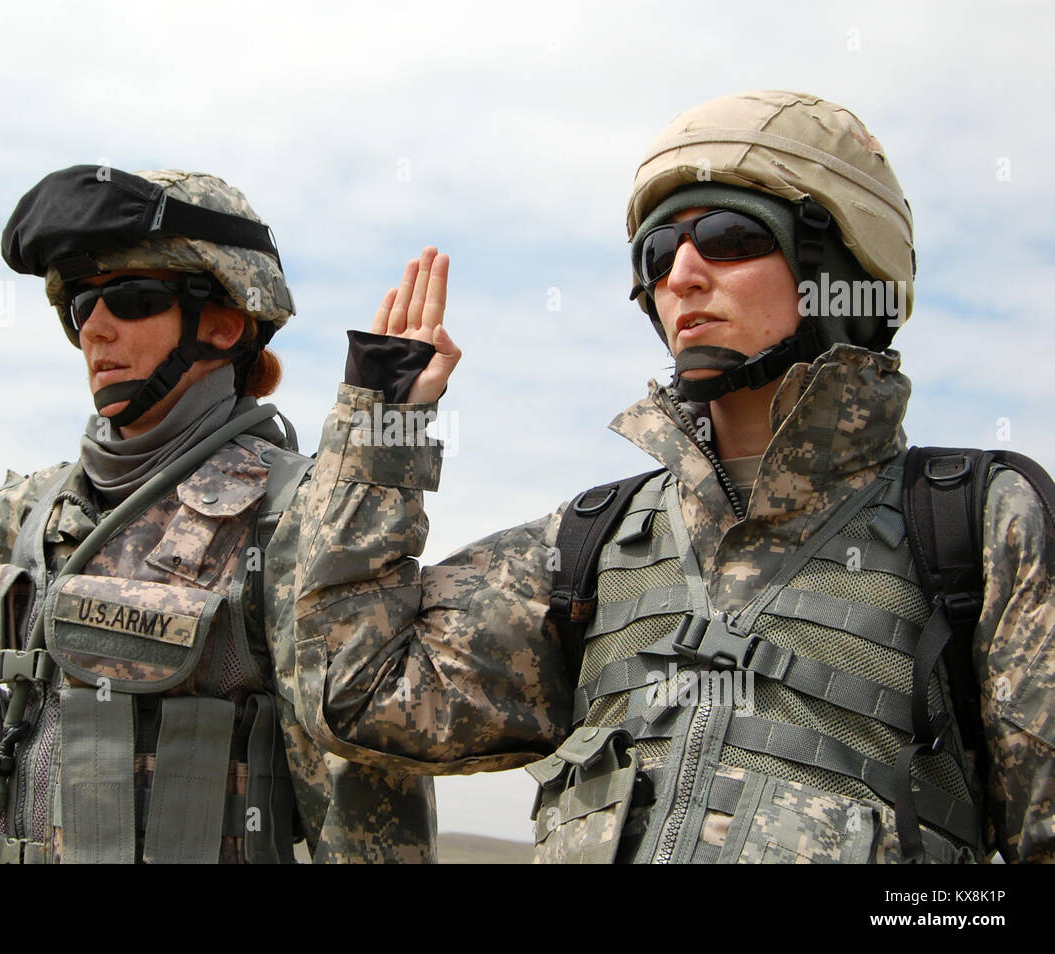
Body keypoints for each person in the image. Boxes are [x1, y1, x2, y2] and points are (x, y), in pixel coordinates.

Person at [285, 91, 1055, 863]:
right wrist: (381, 432)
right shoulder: (591, 544)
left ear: (840, 263)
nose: (682, 275)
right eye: (657, 253)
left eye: (728, 236)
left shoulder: (979, 528)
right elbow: (356, 695)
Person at [0, 165, 436, 863]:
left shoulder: (294, 521)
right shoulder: (38, 515)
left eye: (128, 297)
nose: (93, 328)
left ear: (221, 323)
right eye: (79, 306)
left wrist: (382, 440)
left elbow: (363, 816)